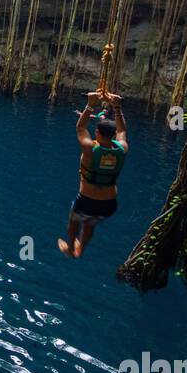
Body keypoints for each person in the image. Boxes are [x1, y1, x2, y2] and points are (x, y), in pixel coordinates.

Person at [58, 89, 128, 259]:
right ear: (113, 136)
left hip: (87, 201)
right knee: (90, 224)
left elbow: (80, 127)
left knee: (74, 222)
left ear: (97, 133)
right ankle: (80, 248)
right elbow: (122, 131)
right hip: (108, 204)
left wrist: (90, 105)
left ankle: (70, 247)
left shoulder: (90, 149)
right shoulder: (122, 149)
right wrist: (117, 108)